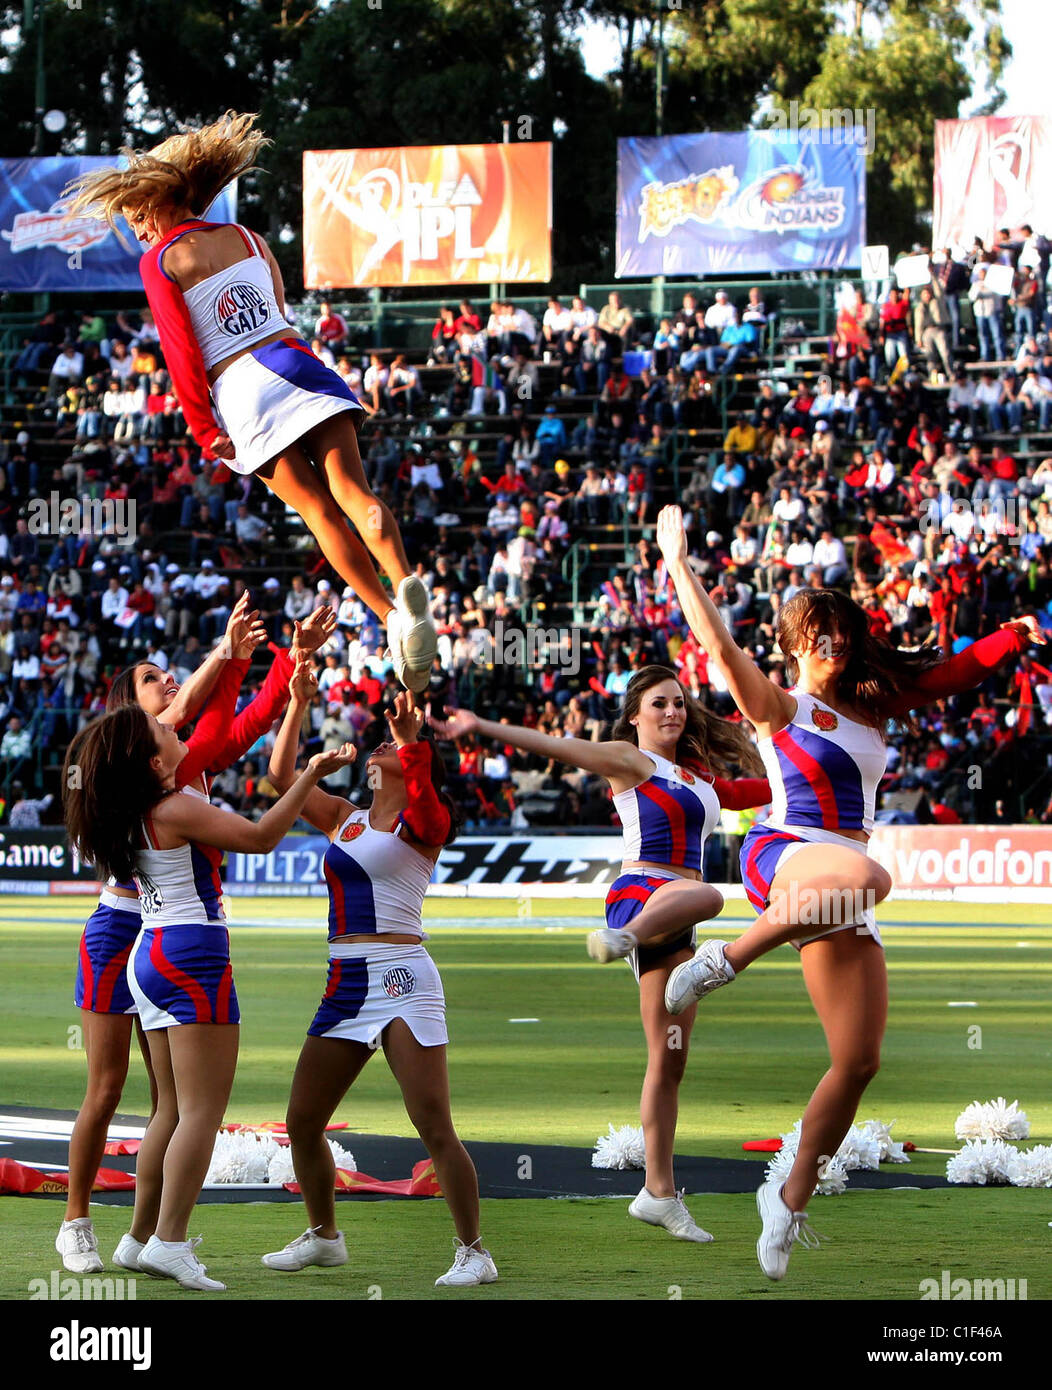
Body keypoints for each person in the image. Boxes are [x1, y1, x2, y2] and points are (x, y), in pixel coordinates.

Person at [652, 503, 1043, 1281]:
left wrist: (1014, 634)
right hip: (790, 852)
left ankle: (788, 1200)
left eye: (834, 627)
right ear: (795, 645)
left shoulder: (872, 705)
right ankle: (727, 958)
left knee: (858, 1059)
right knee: (873, 875)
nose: (827, 639)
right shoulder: (782, 706)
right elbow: (718, 648)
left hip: (835, 884)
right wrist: (678, 563)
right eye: (811, 631)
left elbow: (947, 675)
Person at [63, 111, 435, 692]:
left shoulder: (160, 260)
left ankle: (389, 618)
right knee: (355, 493)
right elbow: (283, 315)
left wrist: (203, 427)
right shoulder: (249, 238)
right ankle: (407, 582)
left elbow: (182, 353)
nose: (135, 228)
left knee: (317, 513)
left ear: (162, 201)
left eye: (136, 214)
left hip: (242, 389)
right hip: (301, 365)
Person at [430, 670, 770, 1243]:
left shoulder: (703, 780)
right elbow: (560, 747)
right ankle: (626, 939)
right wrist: (479, 725)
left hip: (673, 917)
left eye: (680, 704)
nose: (672, 713)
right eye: (659, 704)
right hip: (643, 896)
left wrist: (833, 766)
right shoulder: (630, 761)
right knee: (713, 893)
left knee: (669, 1059)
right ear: (635, 714)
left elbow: (765, 790)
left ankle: (658, 1193)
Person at [54, 598, 336, 1277]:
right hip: (138, 929)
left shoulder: (171, 762)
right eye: (155, 679)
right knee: (109, 1089)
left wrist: (277, 666)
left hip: (153, 935)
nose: (171, 683)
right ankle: (79, 1220)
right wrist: (233, 657)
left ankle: (145, 1235)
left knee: (169, 1105)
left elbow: (236, 728)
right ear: (131, 714)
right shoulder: (153, 763)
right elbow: (221, 742)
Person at [261, 672, 497, 1287]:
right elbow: (280, 779)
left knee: (433, 1124)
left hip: (401, 980)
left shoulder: (423, 822)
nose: (375, 748)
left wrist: (412, 742)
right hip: (344, 980)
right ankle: (324, 1237)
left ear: (413, 762)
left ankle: (475, 1251)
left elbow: (426, 805)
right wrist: (298, 701)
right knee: (302, 1121)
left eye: (386, 748)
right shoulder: (347, 818)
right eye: (381, 745)